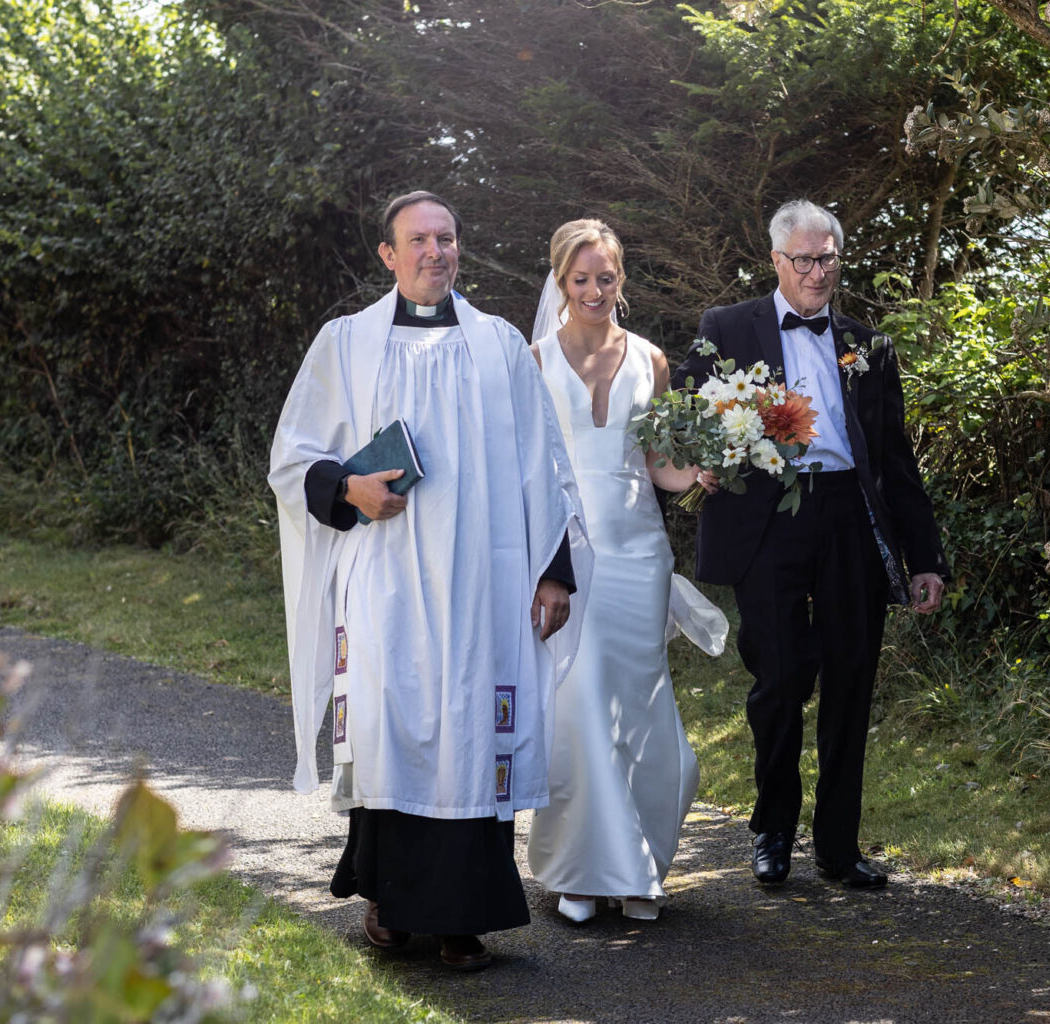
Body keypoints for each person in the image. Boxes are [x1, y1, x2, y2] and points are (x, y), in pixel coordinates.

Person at [268, 191, 591, 969]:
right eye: (417, 240)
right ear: (388, 254)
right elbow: (293, 455)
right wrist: (348, 489)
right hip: (383, 579)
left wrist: (553, 575)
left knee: (470, 731)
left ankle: (461, 917)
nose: (434, 252)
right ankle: (387, 898)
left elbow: (546, 464)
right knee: (393, 726)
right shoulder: (346, 343)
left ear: (458, 249)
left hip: (483, 583)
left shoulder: (500, 346)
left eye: (445, 239)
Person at [674, 199, 948, 890]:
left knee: (851, 678)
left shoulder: (869, 346)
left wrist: (925, 559)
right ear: (776, 260)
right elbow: (685, 412)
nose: (817, 273)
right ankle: (772, 830)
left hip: (849, 517)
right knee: (780, 678)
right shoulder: (726, 327)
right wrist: (704, 459)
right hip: (766, 518)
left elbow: (896, 459)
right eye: (803, 260)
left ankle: (837, 845)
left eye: (827, 259)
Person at [524, 218, 726, 923]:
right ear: (561, 282)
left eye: (605, 278)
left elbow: (657, 463)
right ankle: (584, 872)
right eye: (581, 279)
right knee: (580, 705)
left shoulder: (651, 360)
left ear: (621, 280)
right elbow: (528, 468)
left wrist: (697, 473)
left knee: (640, 707)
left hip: (641, 553)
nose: (594, 290)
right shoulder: (534, 359)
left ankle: (638, 864)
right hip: (569, 554)